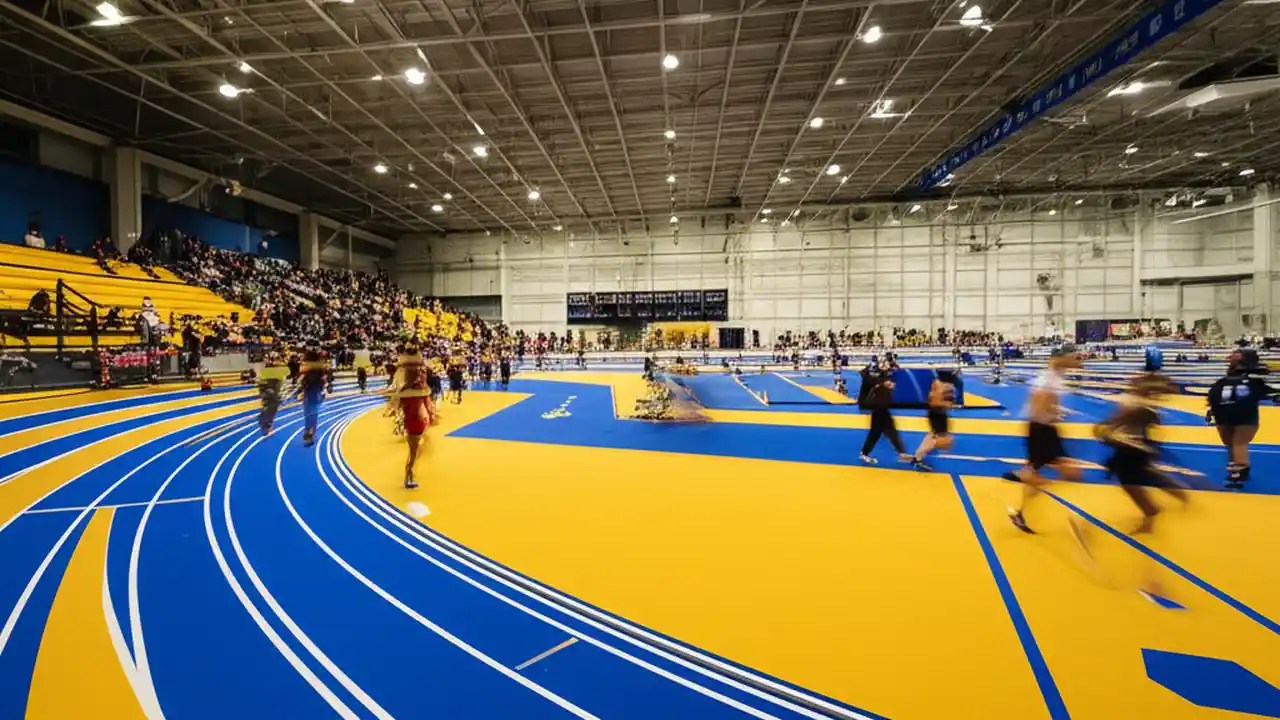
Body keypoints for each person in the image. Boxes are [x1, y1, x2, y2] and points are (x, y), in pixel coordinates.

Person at [1003, 344, 1084, 534]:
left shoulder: (1054, 377)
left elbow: (1042, 405)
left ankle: (1021, 508)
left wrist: (1057, 412)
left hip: (1044, 430)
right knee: (1071, 473)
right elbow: (1037, 406)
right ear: (1061, 358)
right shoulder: (1047, 379)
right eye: (1072, 357)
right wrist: (1054, 414)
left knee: (1041, 476)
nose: (1076, 361)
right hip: (1042, 431)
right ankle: (1069, 515)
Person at [1206, 348, 1277, 489]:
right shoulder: (1253, 380)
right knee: (1237, 444)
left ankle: (1237, 470)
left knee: (1236, 444)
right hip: (1239, 415)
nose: (1230, 357)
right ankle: (1238, 470)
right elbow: (1267, 391)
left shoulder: (1224, 382)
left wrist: (1211, 411)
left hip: (1226, 414)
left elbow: (1212, 397)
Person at [393, 344, 430, 489]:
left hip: (417, 416)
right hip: (415, 417)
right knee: (414, 451)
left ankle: (409, 475)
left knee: (416, 449)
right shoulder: (409, 383)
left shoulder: (417, 382)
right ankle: (408, 476)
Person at [859, 363, 911, 464]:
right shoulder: (870, 380)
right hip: (878, 409)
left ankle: (902, 453)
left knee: (888, 431)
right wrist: (883, 382)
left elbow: (888, 383)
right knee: (877, 433)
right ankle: (864, 453)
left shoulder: (880, 378)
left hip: (881, 408)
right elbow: (872, 382)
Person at [911, 369, 957, 471]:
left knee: (932, 434)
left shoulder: (935, 384)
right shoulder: (947, 387)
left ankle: (918, 455)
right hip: (939, 413)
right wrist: (950, 404)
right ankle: (919, 457)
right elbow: (946, 402)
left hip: (933, 412)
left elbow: (932, 398)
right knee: (938, 438)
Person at [299, 349, 327, 447]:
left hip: (312, 392)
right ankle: (309, 432)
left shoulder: (313, 368)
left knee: (310, 412)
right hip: (314, 392)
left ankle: (309, 433)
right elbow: (323, 379)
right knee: (312, 413)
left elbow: (309, 377)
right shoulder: (318, 367)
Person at [257, 353, 288, 436]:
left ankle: (266, 423)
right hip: (269, 393)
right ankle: (265, 427)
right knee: (270, 410)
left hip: (270, 393)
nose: (280, 361)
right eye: (277, 359)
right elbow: (265, 385)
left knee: (271, 409)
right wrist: (275, 396)